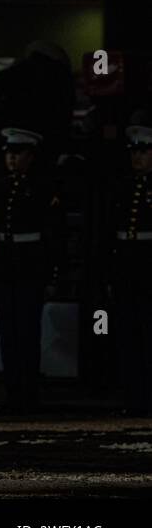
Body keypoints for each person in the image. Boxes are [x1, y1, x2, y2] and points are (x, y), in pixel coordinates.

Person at [0, 127, 60, 413]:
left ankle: (28, 393)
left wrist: (51, 273)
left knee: (27, 333)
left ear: (30, 156)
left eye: (17, 153)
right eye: (9, 153)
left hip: (30, 265)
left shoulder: (42, 188)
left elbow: (52, 234)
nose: (12, 159)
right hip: (7, 265)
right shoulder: (1, 186)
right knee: (9, 333)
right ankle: (13, 392)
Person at [107, 124, 152, 415]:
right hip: (127, 263)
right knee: (128, 332)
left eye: (144, 152)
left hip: (148, 264)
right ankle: (133, 396)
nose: (138, 158)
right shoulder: (122, 185)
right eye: (135, 152)